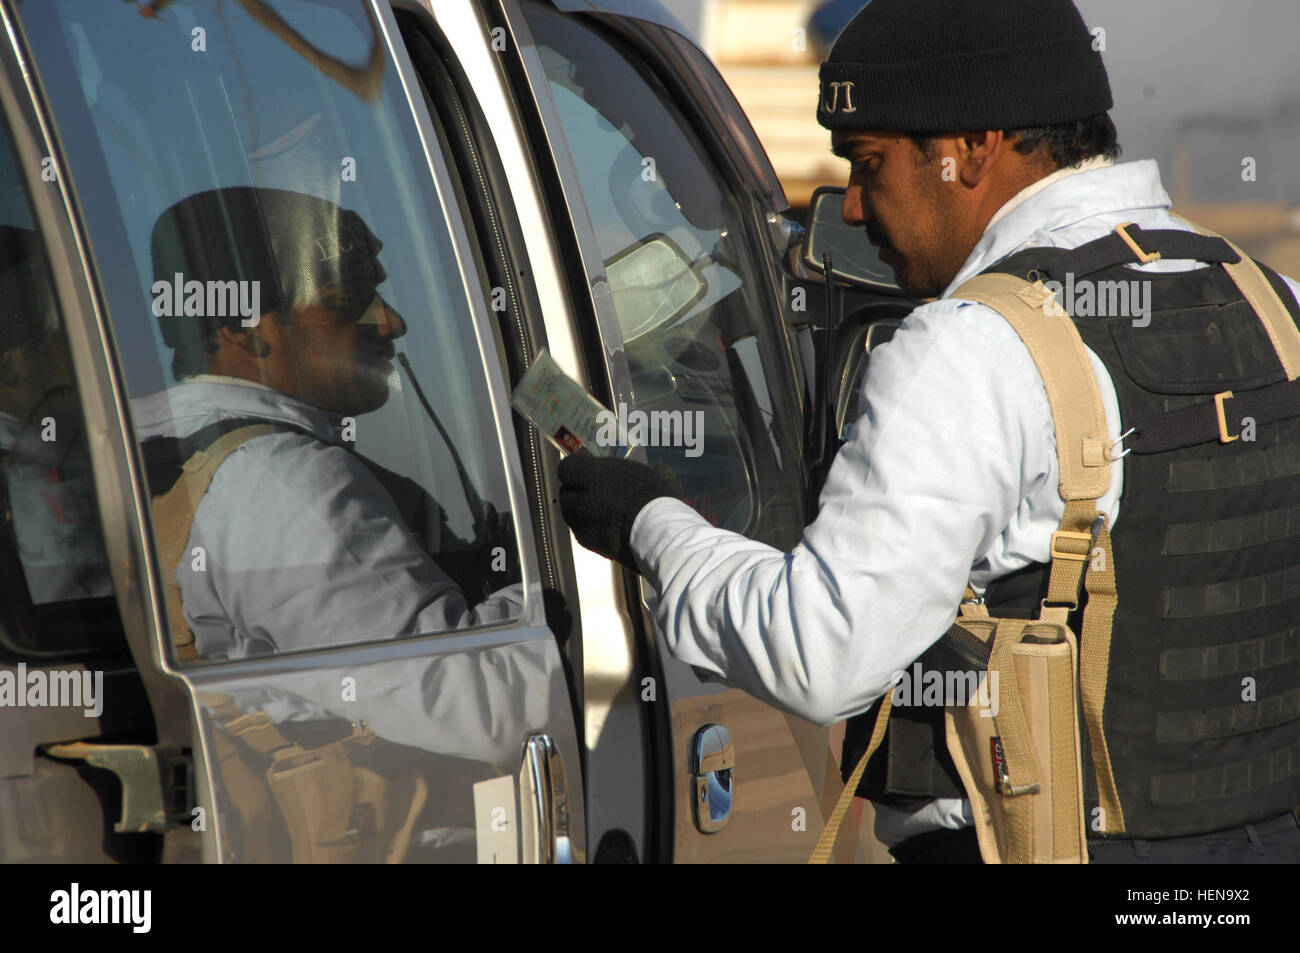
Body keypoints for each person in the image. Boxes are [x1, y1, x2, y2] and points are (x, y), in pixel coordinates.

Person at [558, 0, 1300, 863]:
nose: (858, 209)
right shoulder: (1272, 302)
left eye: (870, 165)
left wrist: (652, 523)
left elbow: (822, 649)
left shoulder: (968, 346)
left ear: (972, 149)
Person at [135, 186, 521, 661]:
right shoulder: (280, 478)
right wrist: (569, 578)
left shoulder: (160, 449)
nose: (391, 322)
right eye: (346, 302)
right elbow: (467, 689)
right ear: (243, 328)